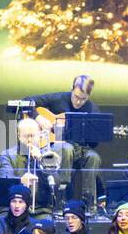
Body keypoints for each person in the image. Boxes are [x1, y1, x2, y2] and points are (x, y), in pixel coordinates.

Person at [27, 75, 104, 208]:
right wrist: (39, 118)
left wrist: (94, 134)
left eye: (83, 99)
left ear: (89, 96)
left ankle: (90, 204)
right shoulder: (59, 98)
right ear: (72, 89)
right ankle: (61, 198)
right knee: (65, 148)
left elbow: (93, 145)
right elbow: (27, 101)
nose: (78, 102)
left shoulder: (93, 110)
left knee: (94, 157)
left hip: (80, 150)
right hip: (57, 148)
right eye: (76, 97)